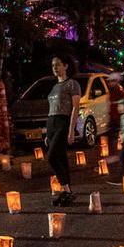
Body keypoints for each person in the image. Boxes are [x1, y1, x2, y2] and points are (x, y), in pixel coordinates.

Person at [46, 55, 81, 206]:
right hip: (51, 123)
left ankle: (66, 190)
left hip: (63, 121)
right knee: (60, 157)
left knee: (52, 157)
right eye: (53, 65)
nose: (55, 68)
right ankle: (67, 191)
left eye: (58, 65)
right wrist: (47, 133)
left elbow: (75, 108)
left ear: (66, 66)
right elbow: (51, 109)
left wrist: (71, 130)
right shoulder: (54, 87)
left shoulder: (72, 84)